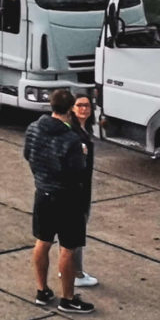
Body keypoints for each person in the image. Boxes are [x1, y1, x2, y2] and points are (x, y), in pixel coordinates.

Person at [24, 88, 95, 314]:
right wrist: (83, 154)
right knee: (68, 249)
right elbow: (77, 170)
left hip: (43, 193)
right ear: (70, 109)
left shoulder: (34, 128)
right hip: (68, 198)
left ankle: (42, 290)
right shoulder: (71, 139)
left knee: (42, 242)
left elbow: (27, 154)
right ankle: (68, 298)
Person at [67, 91, 100, 289]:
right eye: (79, 105)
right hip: (77, 190)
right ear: (72, 108)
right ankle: (76, 273)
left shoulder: (84, 129)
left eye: (87, 105)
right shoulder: (74, 133)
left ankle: (68, 268)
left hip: (82, 187)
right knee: (76, 233)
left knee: (72, 233)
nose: (84, 109)